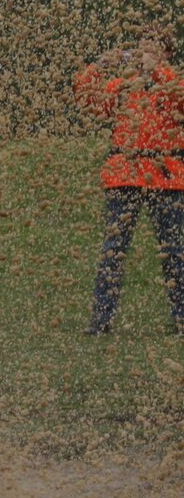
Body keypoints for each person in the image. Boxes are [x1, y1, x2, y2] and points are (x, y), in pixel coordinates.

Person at [74, 21, 184, 335]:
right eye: (142, 44)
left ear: (166, 52)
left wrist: (158, 72)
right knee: (113, 249)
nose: (145, 50)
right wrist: (99, 66)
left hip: (166, 177)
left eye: (153, 45)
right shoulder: (124, 84)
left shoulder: (174, 81)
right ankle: (100, 322)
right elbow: (86, 97)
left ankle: (182, 320)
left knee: (174, 252)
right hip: (124, 175)